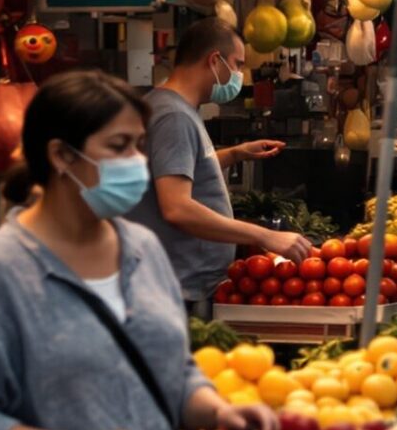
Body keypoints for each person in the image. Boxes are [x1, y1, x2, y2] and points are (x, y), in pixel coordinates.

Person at [0, 71, 279, 430]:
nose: (138, 162)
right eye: (119, 147)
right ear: (62, 155)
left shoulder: (145, 250)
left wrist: (218, 411)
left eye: (139, 146)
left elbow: (174, 371)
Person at [127, 18, 310, 305]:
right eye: (237, 65)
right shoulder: (173, 117)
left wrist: (236, 153)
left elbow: (177, 169)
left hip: (178, 284)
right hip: (176, 290)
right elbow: (177, 208)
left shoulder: (172, 107)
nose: (239, 74)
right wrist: (264, 236)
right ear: (215, 60)